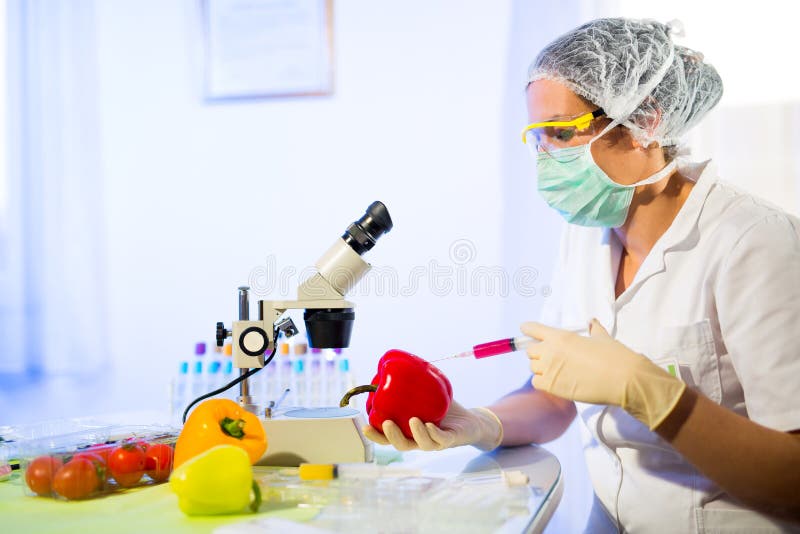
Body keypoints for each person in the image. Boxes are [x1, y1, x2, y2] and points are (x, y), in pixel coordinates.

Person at [363, 18, 800, 533]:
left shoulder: (755, 243)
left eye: (562, 133)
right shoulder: (589, 233)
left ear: (647, 124)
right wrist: (481, 423)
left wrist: (653, 394)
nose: (546, 159)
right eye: (537, 138)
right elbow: (556, 397)